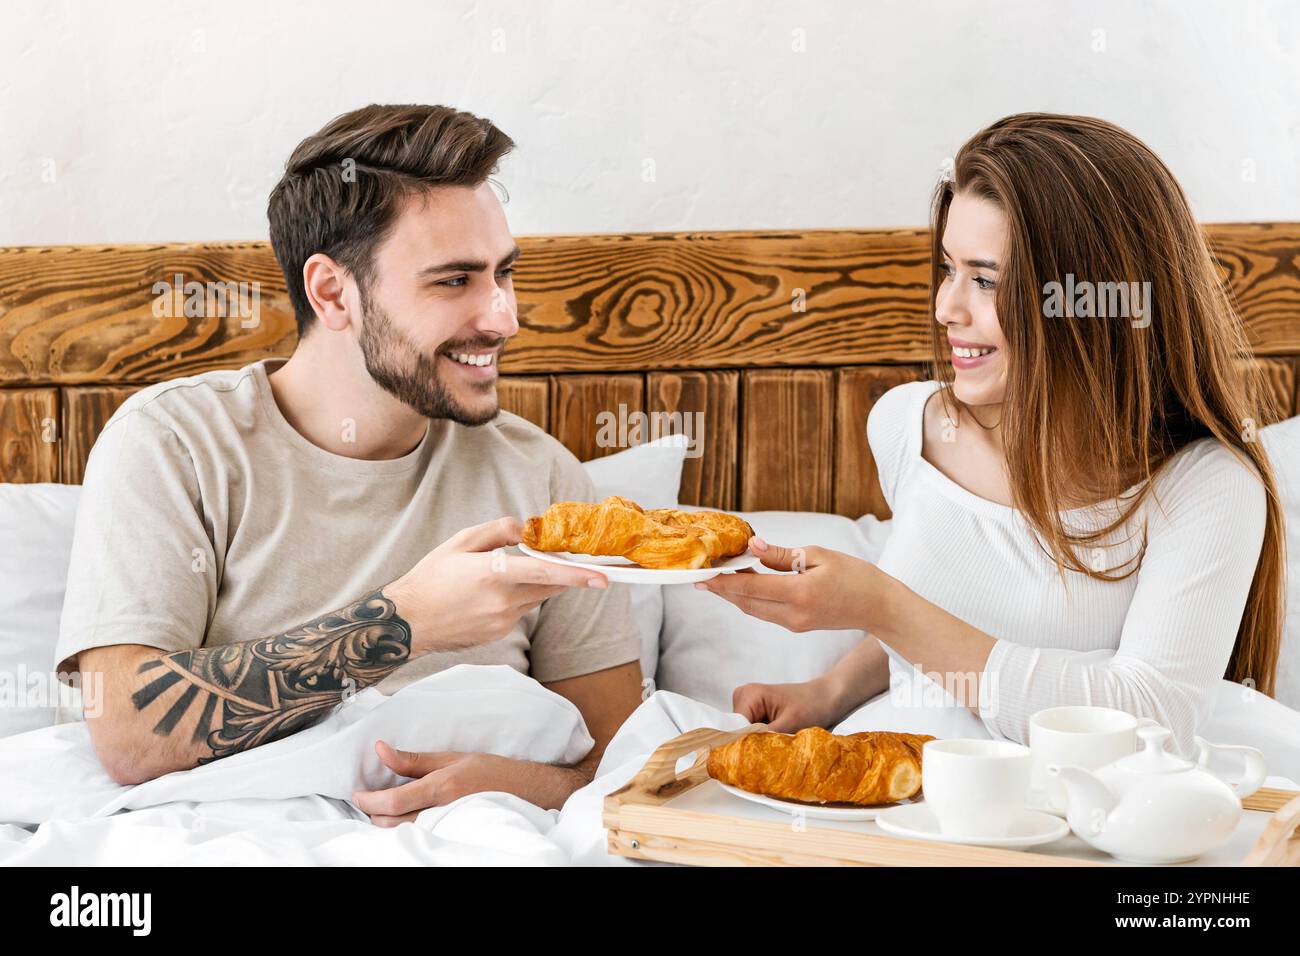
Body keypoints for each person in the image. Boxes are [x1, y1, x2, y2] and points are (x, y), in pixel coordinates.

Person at [56, 104, 644, 821]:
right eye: (455, 281)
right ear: (333, 292)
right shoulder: (176, 444)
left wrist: (529, 788)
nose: (502, 317)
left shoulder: (542, 478)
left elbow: (621, 762)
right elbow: (127, 732)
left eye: (503, 274)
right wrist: (407, 621)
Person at [701, 113, 1285, 755]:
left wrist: (882, 606)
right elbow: (959, 613)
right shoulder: (907, 426)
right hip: (910, 789)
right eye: (948, 270)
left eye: (984, 280)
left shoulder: (1207, 486)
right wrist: (831, 690)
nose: (946, 309)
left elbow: (1147, 721)